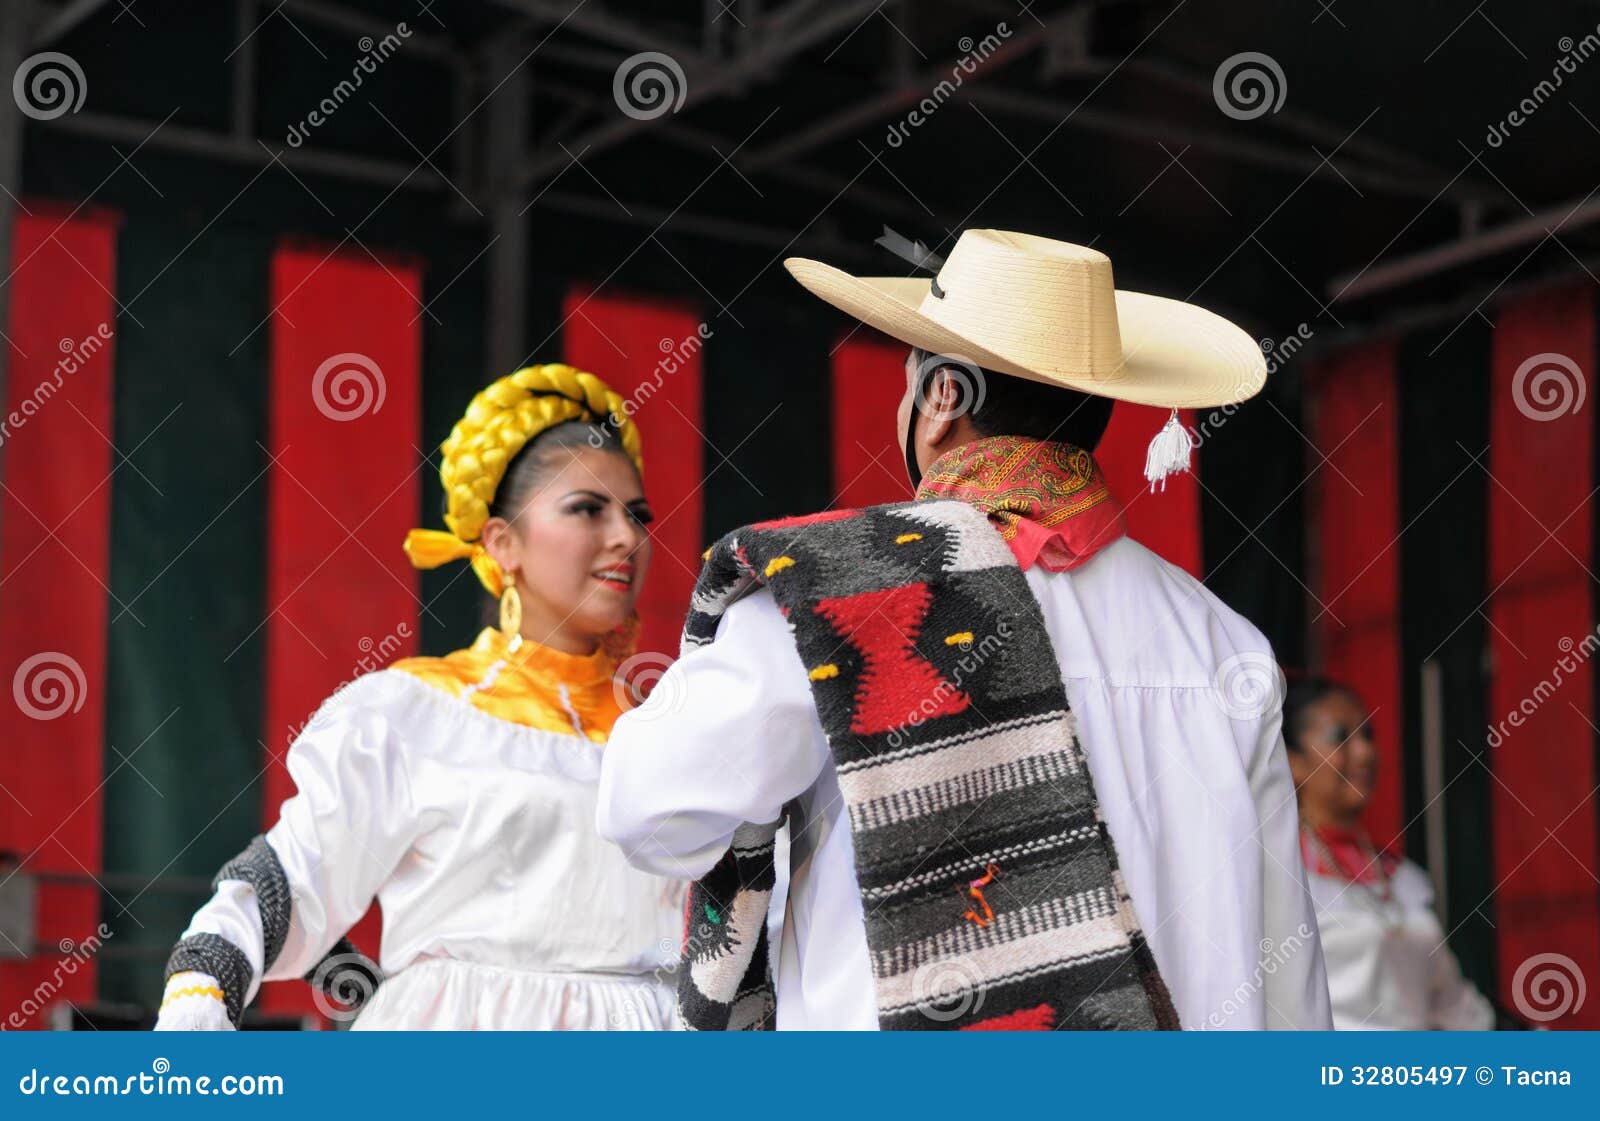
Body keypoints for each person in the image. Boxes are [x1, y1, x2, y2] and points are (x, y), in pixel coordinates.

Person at [596, 229, 1332, 1030]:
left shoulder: (826, 588)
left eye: (913, 383)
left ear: (944, 396)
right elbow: (1285, 962)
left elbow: (650, 811)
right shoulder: (1225, 642)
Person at [154, 364, 683, 1031]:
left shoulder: (674, 737)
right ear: (503, 541)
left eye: (637, 516)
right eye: (588, 508)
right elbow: (296, 875)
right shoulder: (416, 713)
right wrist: (202, 985)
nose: (626, 537)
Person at [1285, 676, 1494, 1030]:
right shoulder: (1280, 873)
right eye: (1340, 737)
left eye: (1367, 736)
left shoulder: (1402, 876)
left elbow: (1452, 1005)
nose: (1364, 752)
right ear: (1292, 761)